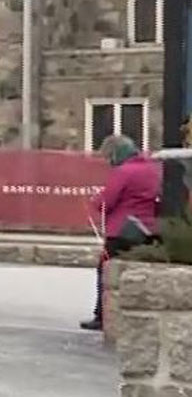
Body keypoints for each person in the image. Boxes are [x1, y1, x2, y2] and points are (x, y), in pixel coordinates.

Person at [81, 135, 161, 331]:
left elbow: (106, 201)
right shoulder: (154, 168)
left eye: (108, 157)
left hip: (122, 232)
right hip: (149, 231)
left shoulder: (124, 172)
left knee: (106, 272)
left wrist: (95, 200)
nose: (108, 162)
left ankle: (102, 316)